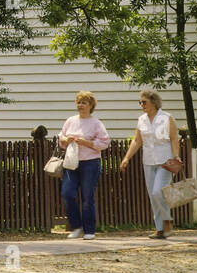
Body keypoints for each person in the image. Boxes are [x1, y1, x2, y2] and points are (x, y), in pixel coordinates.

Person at [121, 89, 182, 239]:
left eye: (144, 102)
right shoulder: (141, 119)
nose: (141, 105)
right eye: (140, 102)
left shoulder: (167, 118)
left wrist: (176, 156)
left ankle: (168, 221)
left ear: (154, 102)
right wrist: (126, 158)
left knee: (157, 192)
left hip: (165, 161)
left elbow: (174, 138)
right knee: (152, 196)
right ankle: (160, 229)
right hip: (148, 161)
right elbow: (137, 141)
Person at [58, 91, 110, 240]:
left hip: (90, 163)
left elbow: (105, 142)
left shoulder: (96, 123)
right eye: (79, 102)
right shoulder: (70, 120)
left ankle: (89, 230)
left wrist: (86, 143)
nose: (80, 105)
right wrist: (66, 139)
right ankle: (76, 227)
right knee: (67, 193)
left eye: (84, 103)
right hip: (71, 162)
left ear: (91, 105)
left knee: (87, 197)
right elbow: (61, 138)